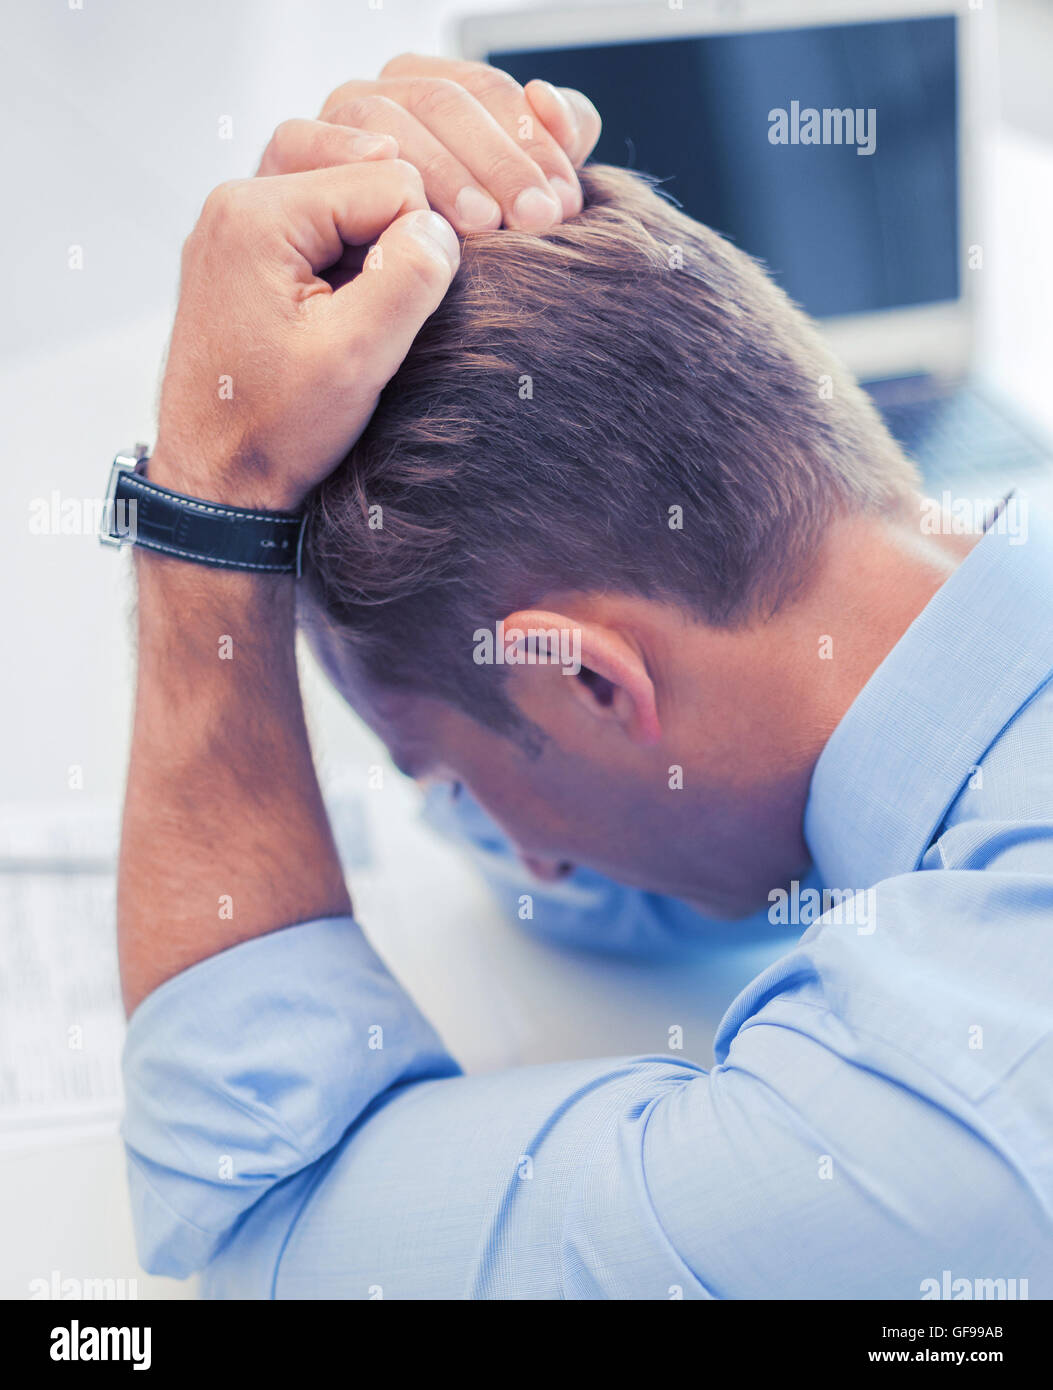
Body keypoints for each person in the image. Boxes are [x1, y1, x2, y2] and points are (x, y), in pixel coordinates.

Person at [117, 55, 1053, 1299]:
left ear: (594, 686)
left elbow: (253, 1212)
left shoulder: (946, 1138)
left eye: (448, 775)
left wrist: (211, 492)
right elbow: (657, 862)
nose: (529, 862)